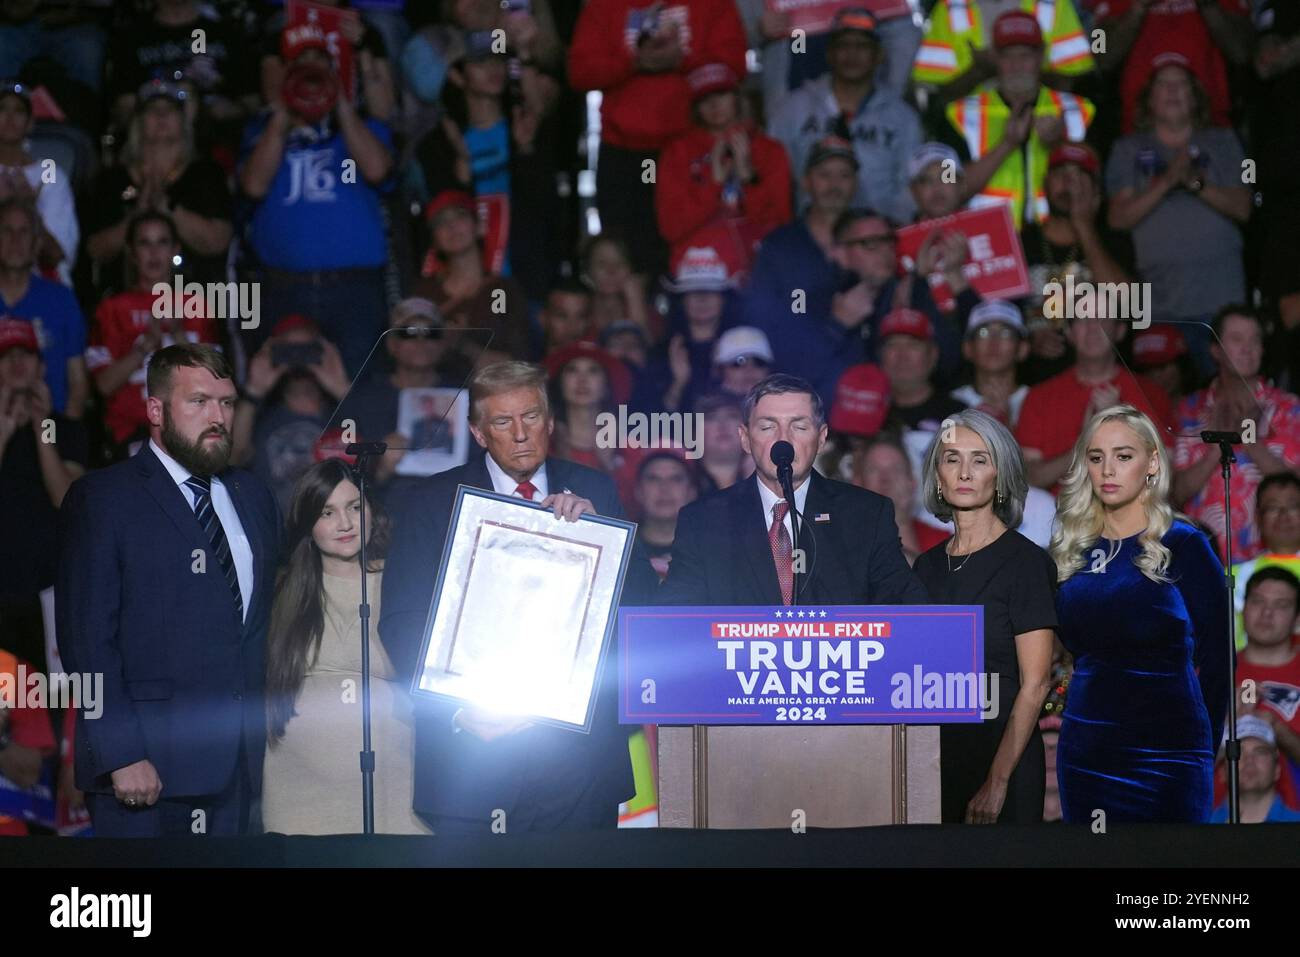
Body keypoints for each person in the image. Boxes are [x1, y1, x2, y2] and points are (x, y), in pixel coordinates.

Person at [379, 360, 654, 834]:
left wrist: (602, 536)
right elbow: (403, 620)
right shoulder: (430, 501)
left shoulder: (595, 489)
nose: (521, 433)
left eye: (531, 417)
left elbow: (642, 607)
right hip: (471, 756)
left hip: (579, 762)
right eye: (503, 422)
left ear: (550, 422)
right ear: (479, 433)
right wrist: (461, 711)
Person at [55, 343, 281, 837]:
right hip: (143, 770)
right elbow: (86, 642)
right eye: (198, 402)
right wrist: (122, 753)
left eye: (226, 402)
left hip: (236, 769)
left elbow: (259, 626)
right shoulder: (104, 498)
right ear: (155, 410)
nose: (217, 417)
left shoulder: (253, 495)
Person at [1050, 404, 1229, 822]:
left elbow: (1219, 658)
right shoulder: (1070, 550)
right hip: (1087, 752)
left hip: (1171, 754)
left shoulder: (1184, 544)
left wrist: (1205, 744)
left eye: (1123, 456)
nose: (1108, 470)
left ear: (1151, 463)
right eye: (1096, 458)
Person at [262, 460, 430, 835]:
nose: (345, 523)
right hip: (298, 804)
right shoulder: (280, 593)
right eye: (327, 512)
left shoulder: (407, 583)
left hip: (395, 797)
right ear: (307, 522)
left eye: (355, 507)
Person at [660, 374, 928, 605]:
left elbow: (907, 611)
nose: (783, 441)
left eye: (799, 427)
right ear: (745, 439)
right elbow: (675, 623)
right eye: (767, 427)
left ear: (821, 438)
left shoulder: (866, 515)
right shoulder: (704, 522)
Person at [914, 409, 1056, 823]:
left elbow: (1036, 683)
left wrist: (996, 782)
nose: (964, 472)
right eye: (951, 458)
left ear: (1001, 474)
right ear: (937, 475)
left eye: (980, 459)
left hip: (1003, 763)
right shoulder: (925, 567)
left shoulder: (1025, 563)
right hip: (935, 764)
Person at [238, 28, 394, 377]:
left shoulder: (363, 126)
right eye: (301, 68)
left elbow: (377, 169)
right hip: (285, 289)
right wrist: (281, 115)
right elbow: (253, 186)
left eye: (321, 67)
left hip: (355, 290)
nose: (311, 75)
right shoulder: (260, 130)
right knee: (285, 393)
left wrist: (340, 104)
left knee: (360, 390)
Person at [568, 0, 746, 278]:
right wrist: (634, 62)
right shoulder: (603, 5)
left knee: (696, 254)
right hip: (624, 153)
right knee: (624, 261)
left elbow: (735, 64)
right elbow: (580, 71)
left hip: (690, 151)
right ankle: (630, 321)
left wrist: (683, 59)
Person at [1105, 52, 1251, 374]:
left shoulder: (1225, 141)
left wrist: (1195, 182)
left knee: (1222, 407)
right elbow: (1118, 217)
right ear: (1150, 99)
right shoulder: (1127, 149)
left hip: (1222, 303)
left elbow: (1243, 207)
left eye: (1181, 84)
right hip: (1160, 307)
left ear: (1195, 97)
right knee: (1163, 411)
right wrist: (1167, 181)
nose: (1172, 91)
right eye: (1163, 84)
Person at [935, 11, 1095, 228]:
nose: (1016, 65)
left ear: (1042, 56)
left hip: (1058, 243)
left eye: (1025, 55)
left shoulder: (1079, 110)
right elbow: (946, 190)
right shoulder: (959, 114)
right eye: (1007, 55)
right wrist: (1006, 145)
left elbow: (1098, 190)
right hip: (990, 245)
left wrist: (1060, 144)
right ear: (994, 58)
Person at [768, 8, 922, 223]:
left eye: (862, 46)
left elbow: (912, 185)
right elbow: (776, 180)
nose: (852, 54)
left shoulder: (902, 118)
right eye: (844, 45)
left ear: (879, 55)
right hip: (809, 235)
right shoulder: (792, 109)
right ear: (829, 54)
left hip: (878, 239)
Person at [86, 210, 220, 455]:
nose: (154, 252)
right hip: (130, 434)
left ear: (175, 249)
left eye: (162, 242)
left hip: (189, 432)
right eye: (145, 243)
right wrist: (145, 346)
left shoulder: (197, 306)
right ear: (132, 252)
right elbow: (103, 385)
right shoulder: (112, 309)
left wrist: (179, 336)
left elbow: (215, 383)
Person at [1171, 306, 1300, 561]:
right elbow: (1174, 494)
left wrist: (1249, 442)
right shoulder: (1188, 410)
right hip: (1203, 560)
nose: (1248, 348)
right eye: (1237, 339)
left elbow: (1296, 488)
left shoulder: (1290, 408)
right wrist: (1216, 449)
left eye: (1255, 340)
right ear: (1215, 350)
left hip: (1270, 568)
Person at [85, 80, 233, 296]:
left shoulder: (206, 174)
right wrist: (136, 216)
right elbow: (95, 249)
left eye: (170, 109)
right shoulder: (112, 178)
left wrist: (169, 209)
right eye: (153, 110)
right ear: (138, 121)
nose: (162, 116)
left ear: (183, 120)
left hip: (193, 303)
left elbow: (218, 241)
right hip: (123, 307)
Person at [0, 317, 87, 668]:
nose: (18, 363)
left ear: (41, 365)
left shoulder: (63, 429)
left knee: (55, 700)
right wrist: (4, 430)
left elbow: (65, 497)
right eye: (7, 356)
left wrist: (41, 427)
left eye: (26, 355)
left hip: (50, 588)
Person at [1015, 313, 1172, 492]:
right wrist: (1086, 441)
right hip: (1058, 516)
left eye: (1103, 317)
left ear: (1120, 330)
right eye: (1082, 319)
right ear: (1069, 332)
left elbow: (1164, 478)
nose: (1092, 327)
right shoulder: (1039, 397)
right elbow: (1030, 478)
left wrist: (1121, 425)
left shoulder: (1151, 394)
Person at [1020, 143, 1134, 385]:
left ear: (1096, 191)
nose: (1068, 183)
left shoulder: (1114, 241)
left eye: (1078, 176)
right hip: (1032, 380)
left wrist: (1084, 226)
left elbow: (1129, 304)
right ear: (1045, 184)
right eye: (1060, 175)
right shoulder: (1022, 241)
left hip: (1099, 379)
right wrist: (1027, 341)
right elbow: (999, 313)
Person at [656, 62, 791, 265]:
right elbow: (671, 228)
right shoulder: (677, 153)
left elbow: (780, 225)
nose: (714, 105)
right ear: (695, 107)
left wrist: (748, 176)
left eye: (721, 94)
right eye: (704, 99)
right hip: (699, 268)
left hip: (760, 266)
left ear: (736, 97)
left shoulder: (770, 150)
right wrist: (713, 185)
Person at [1091, 0, 1251, 134]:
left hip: (1210, 124)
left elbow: (1242, 52)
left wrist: (1208, 5)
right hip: (1140, 129)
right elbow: (1102, 56)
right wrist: (1138, 7)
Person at [913, 0, 1095, 105]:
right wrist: (979, 71)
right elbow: (938, 99)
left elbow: (1070, 85)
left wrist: (1015, 66)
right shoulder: (951, 6)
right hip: (969, 130)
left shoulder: (1051, 3)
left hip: (1042, 125)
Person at [0, 197, 86, 418]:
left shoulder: (61, 299)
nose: (15, 240)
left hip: (48, 432)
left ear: (37, 244)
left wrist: (66, 438)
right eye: (7, 231)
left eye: (24, 232)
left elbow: (77, 380)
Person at [1231, 566, 1300, 810]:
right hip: (1220, 824)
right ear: (1243, 609)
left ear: (1297, 618)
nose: (1267, 613)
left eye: (1281, 605)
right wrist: (1228, 726)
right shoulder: (1214, 673)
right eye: (1258, 601)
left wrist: (1275, 726)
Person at [0, 80, 77, 285]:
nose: (9, 118)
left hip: (40, 284)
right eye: (2, 109)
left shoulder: (49, 172)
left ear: (30, 122)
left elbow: (58, 257)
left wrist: (29, 209)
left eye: (18, 111)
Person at [851, 431, 949, 564]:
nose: (885, 478)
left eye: (896, 470)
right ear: (857, 483)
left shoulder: (946, 545)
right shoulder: (840, 541)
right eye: (873, 470)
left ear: (912, 484)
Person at [1231, 475, 1300, 638]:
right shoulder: (1232, 576)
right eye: (1273, 508)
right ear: (1257, 518)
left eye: (1293, 507)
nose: (1284, 516)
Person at [949, 299, 1030, 428]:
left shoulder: (1040, 402)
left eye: (1005, 333)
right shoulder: (949, 405)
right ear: (968, 348)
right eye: (983, 333)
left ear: (1022, 349)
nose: (994, 342)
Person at [1209, 716, 1300, 823]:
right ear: (1222, 771)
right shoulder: (1200, 829)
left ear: (1277, 770)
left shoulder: (1295, 826)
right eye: (1239, 752)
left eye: (1260, 751)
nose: (1249, 760)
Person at [634, 450, 700, 579]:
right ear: (638, 492)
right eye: (653, 479)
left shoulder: (711, 549)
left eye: (676, 479)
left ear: (692, 492)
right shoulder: (622, 546)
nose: (664, 488)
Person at [907, 142, 967, 222]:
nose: (937, 188)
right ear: (913, 191)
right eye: (926, 180)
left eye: (946, 177)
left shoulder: (986, 223)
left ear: (961, 185)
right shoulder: (900, 234)